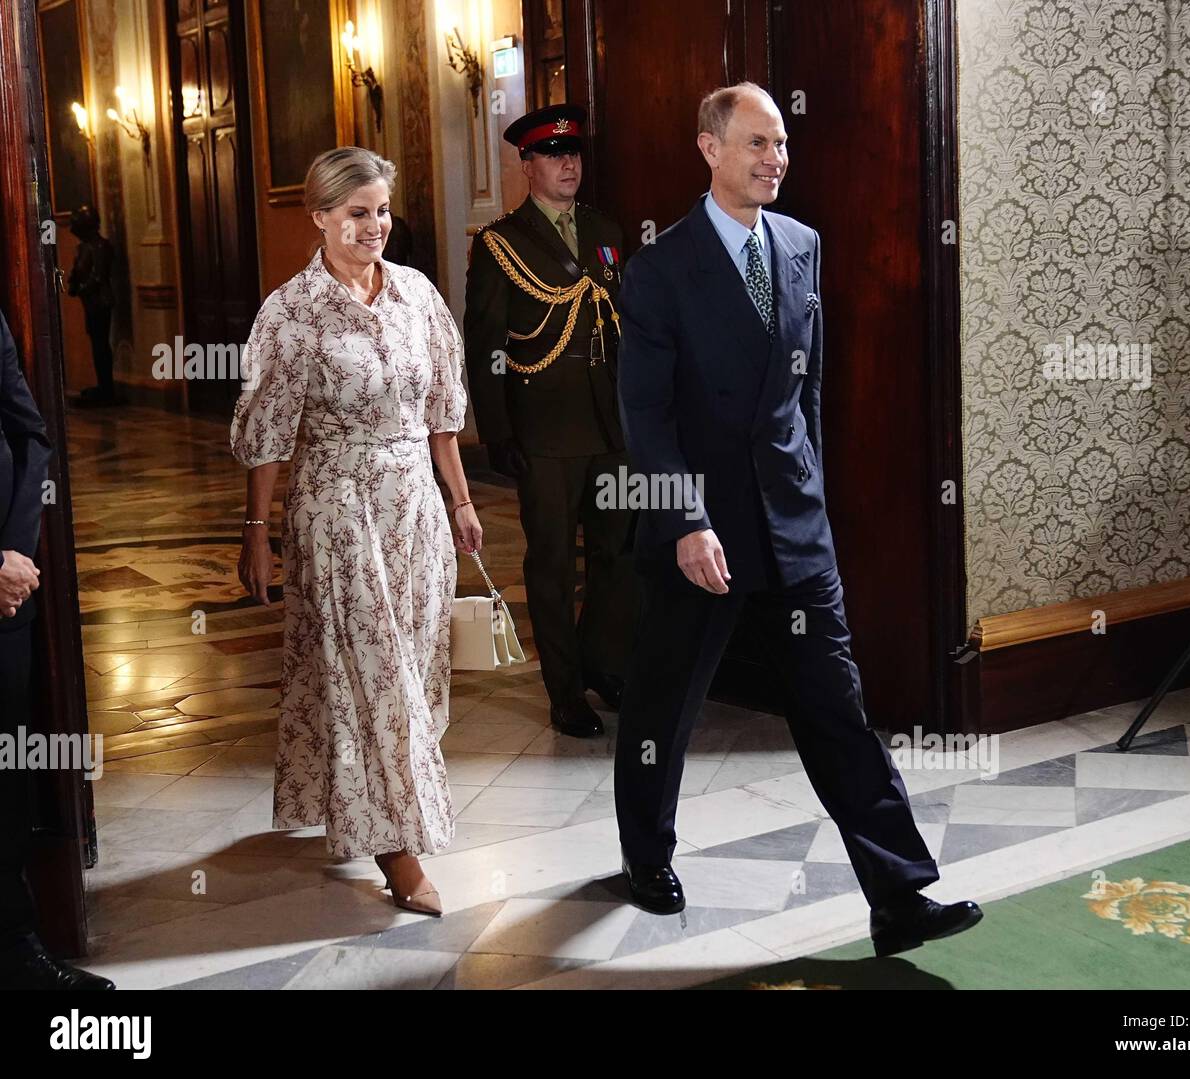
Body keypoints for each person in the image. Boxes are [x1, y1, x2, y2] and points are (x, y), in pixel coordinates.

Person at [612, 83, 983, 957]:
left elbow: (806, 391)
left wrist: (810, 490)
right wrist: (686, 521)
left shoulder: (803, 245)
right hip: (698, 532)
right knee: (666, 704)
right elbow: (645, 417)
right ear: (709, 148)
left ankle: (898, 895)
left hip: (793, 527)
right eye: (756, 144)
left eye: (781, 144)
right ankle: (646, 854)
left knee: (838, 710)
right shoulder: (659, 267)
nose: (775, 159)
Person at [231, 146, 481, 916]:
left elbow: (443, 412)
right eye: (356, 214)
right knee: (370, 678)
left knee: (412, 673)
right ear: (319, 217)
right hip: (338, 514)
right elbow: (267, 434)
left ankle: (367, 802)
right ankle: (398, 854)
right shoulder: (291, 312)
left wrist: (462, 502)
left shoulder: (416, 296)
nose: (374, 226)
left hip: (416, 511)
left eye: (381, 211)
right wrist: (255, 530)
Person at [464, 104, 640, 739]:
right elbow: (483, 344)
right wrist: (499, 432)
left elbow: (623, 331)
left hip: (610, 425)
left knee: (619, 553)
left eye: (574, 154)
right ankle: (564, 692)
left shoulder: (605, 229)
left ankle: (601, 663)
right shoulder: (500, 242)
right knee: (552, 566)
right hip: (544, 428)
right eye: (553, 156)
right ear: (528, 165)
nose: (569, 165)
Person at [0, 310, 113, 988]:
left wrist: (12, 552)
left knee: (8, 785)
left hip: (5, 596)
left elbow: (30, 434)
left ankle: (15, 950)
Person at [66, 205, 116, 406]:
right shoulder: (85, 246)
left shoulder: (100, 246)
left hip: (100, 301)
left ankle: (106, 387)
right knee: (96, 344)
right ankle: (102, 386)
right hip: (91, 302)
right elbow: (79, 271)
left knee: (101, 345)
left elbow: (98, 276)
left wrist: (81, 288)